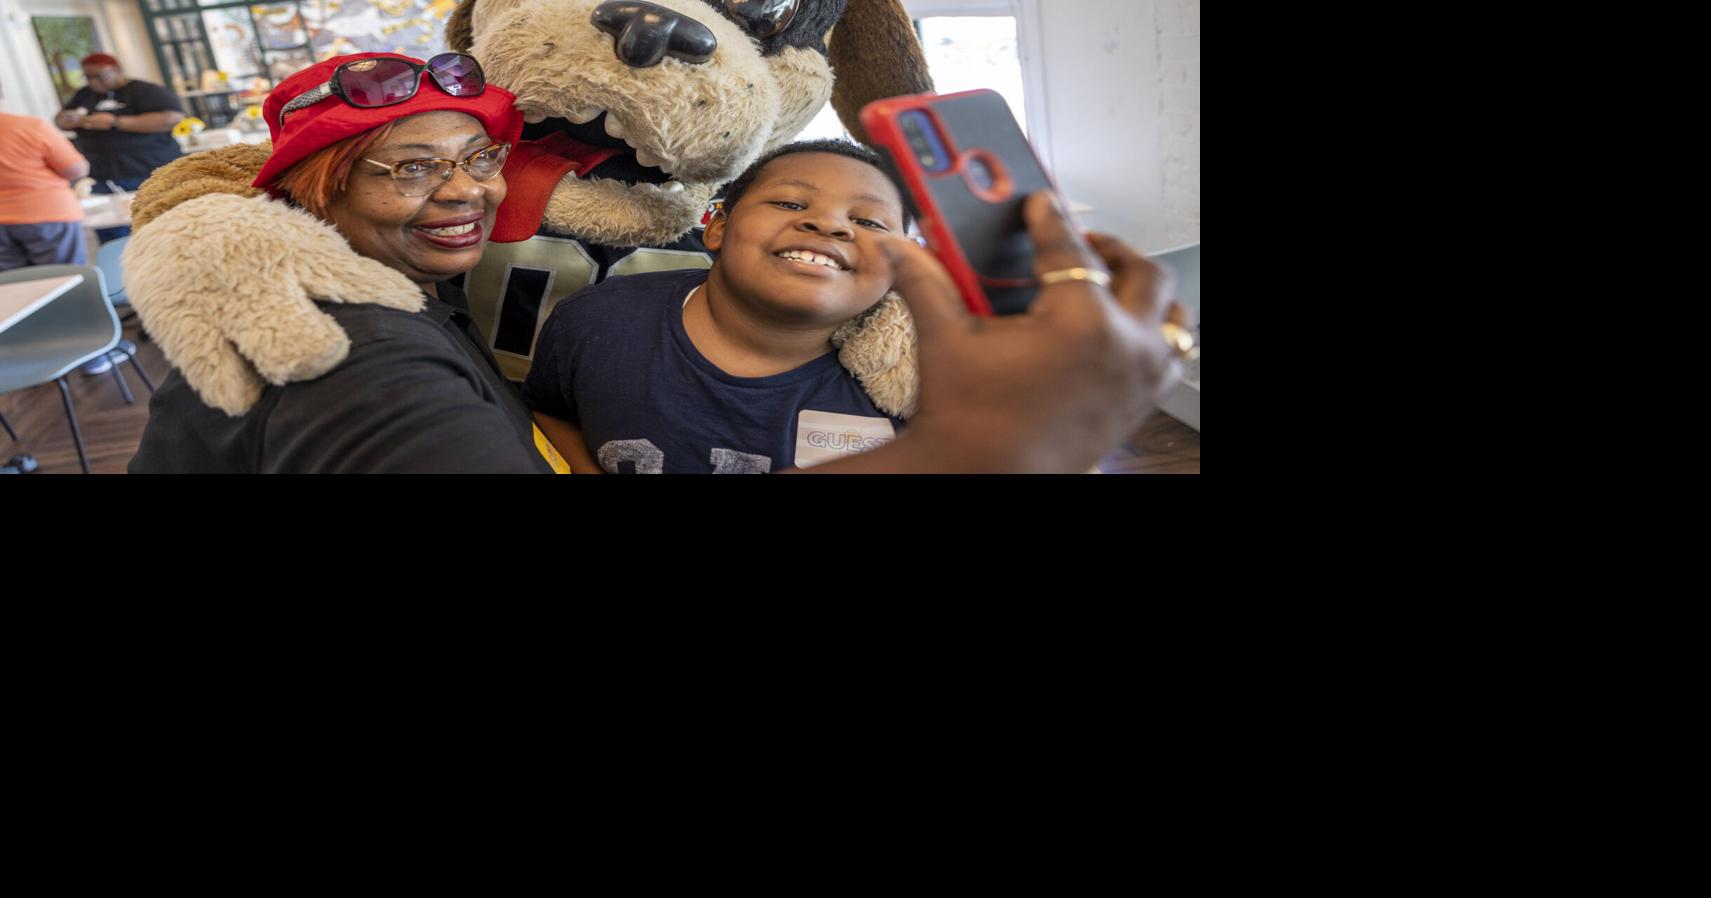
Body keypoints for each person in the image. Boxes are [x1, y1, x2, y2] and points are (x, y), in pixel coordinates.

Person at [53, 53, 184, 242]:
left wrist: (115, 122)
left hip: (147, 169)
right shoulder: (84, 95)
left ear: (117, 70)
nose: (94, 82)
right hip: (102, 174)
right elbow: (61, 120)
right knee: (112, 233)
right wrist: (65, 120)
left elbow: (171, 118)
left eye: (100, 76)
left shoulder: (144, 91)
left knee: (159, 225)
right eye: (88, 77)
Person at [0, 110, 90, 270]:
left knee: (13, 281)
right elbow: (77, 170)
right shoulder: (30, 126)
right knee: (66, 277)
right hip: (48, 214)